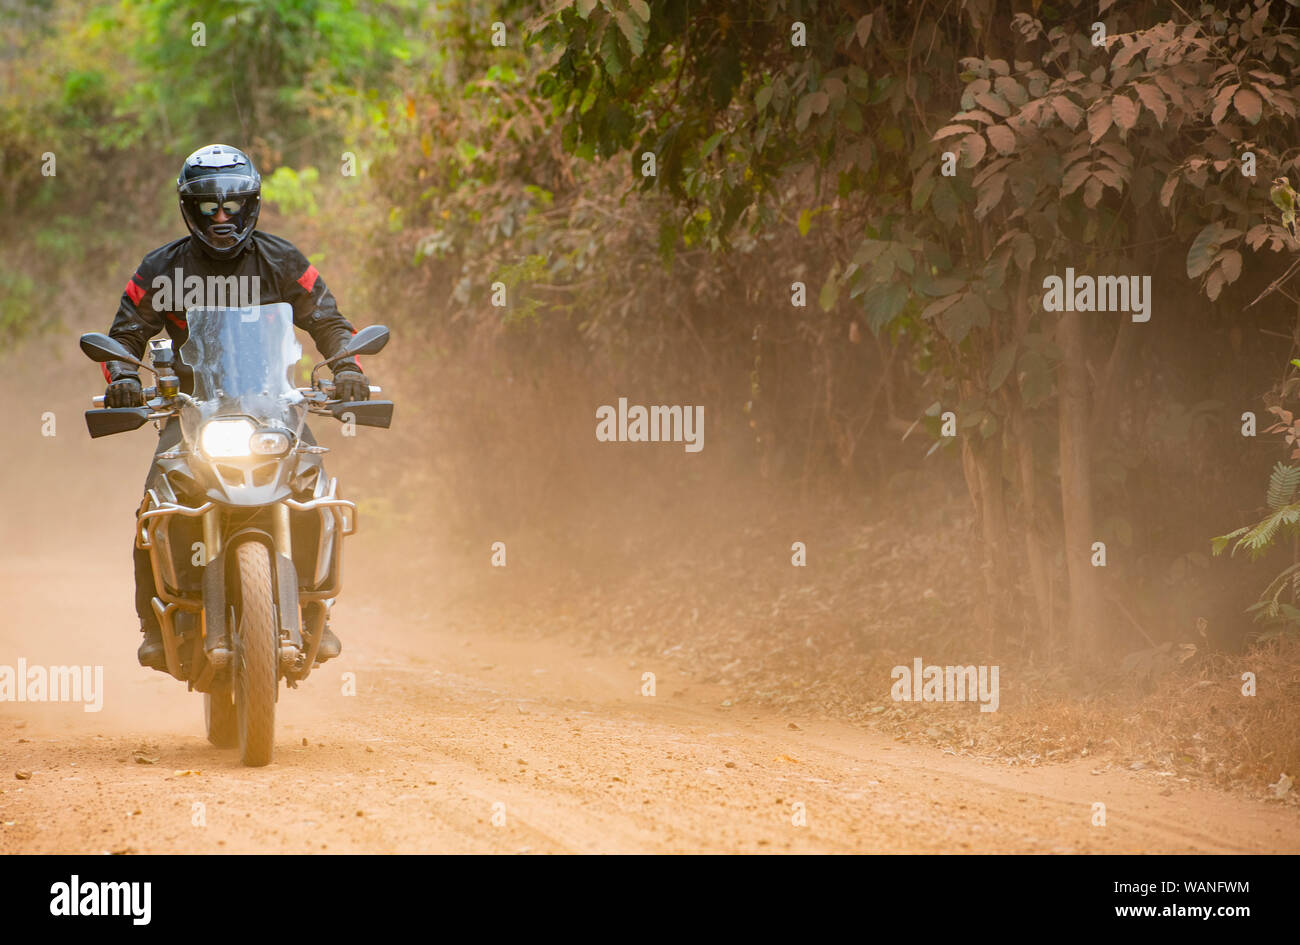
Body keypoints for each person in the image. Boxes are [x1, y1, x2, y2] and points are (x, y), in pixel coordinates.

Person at [102, 143, 369, 670]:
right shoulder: (162, 268)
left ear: (251, 205)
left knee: (315, 489)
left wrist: (348, 370)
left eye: (232, 206)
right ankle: (155, 626)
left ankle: (317, 610)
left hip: (277, 407)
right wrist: (125, 380)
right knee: (152, 511)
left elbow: (330, 322)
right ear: (190, 208)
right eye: (208, 207)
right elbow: (123, 336)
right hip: (191, 411)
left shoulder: (283, 260)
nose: (221, 217)